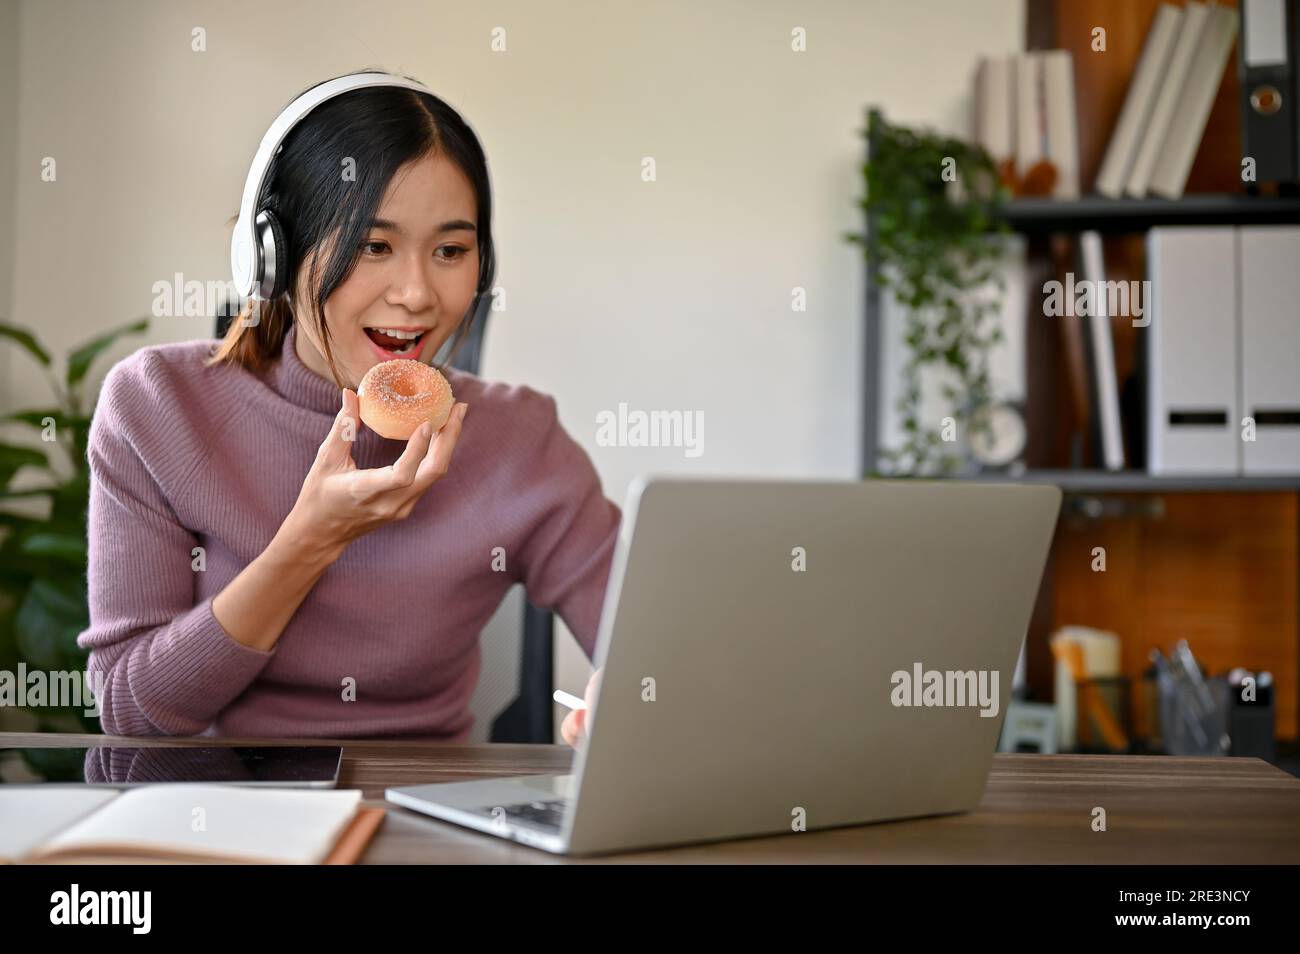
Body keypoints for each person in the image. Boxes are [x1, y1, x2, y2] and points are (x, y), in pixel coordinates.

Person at [77, 71, 612, 746]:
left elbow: (650, 648)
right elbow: (133, 711)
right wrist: (312, 540)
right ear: (272, 257)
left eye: (451, 250)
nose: (417, 293)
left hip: (424, 817)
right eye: (372, 245)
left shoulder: (518, 437)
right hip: (211, 815)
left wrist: (628, 693)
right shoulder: (160, 406)